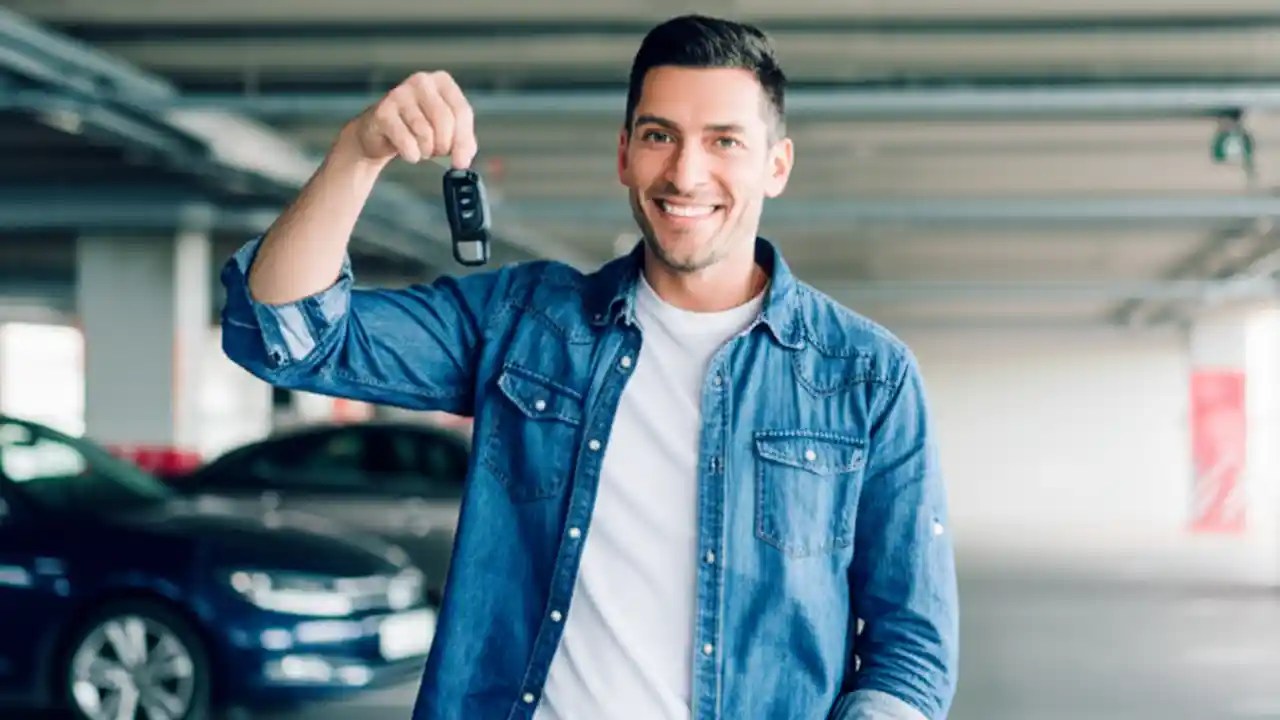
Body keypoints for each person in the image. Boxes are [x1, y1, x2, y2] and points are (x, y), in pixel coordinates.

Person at [220, 14, 959, 720]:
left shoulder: (869, 377)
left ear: (777, 166)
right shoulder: (524, 321)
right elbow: (287, 333)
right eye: (659, 135)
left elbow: (912, 646)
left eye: (724, 141)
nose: (685, 172)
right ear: (623, 154)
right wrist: (360, 152)